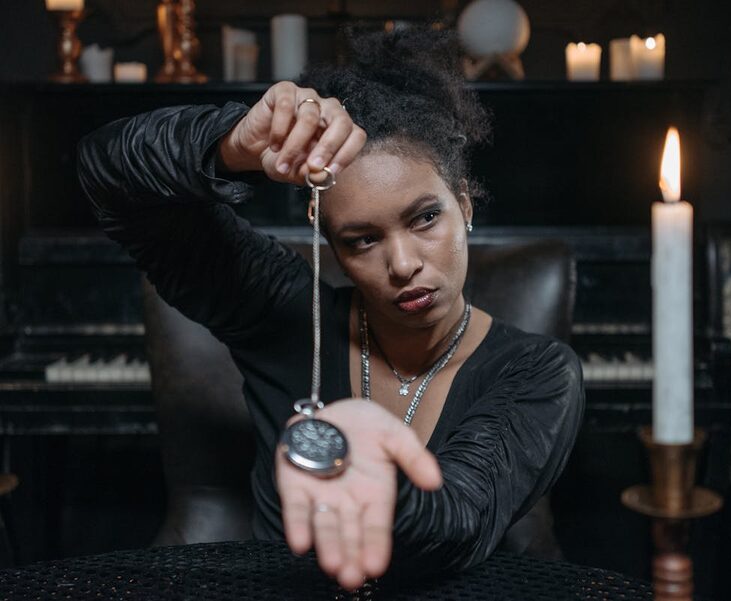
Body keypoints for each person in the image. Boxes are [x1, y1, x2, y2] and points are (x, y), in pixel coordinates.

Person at [77, 29, 584, 591]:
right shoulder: (284, 315)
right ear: (329, 242)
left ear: (463, 204)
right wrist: (229, 144)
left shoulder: (537, 372)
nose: (402, 263)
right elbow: (107, 174)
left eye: (423, 218)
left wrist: (374, 473)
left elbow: (460, 521)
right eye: (361, 240)